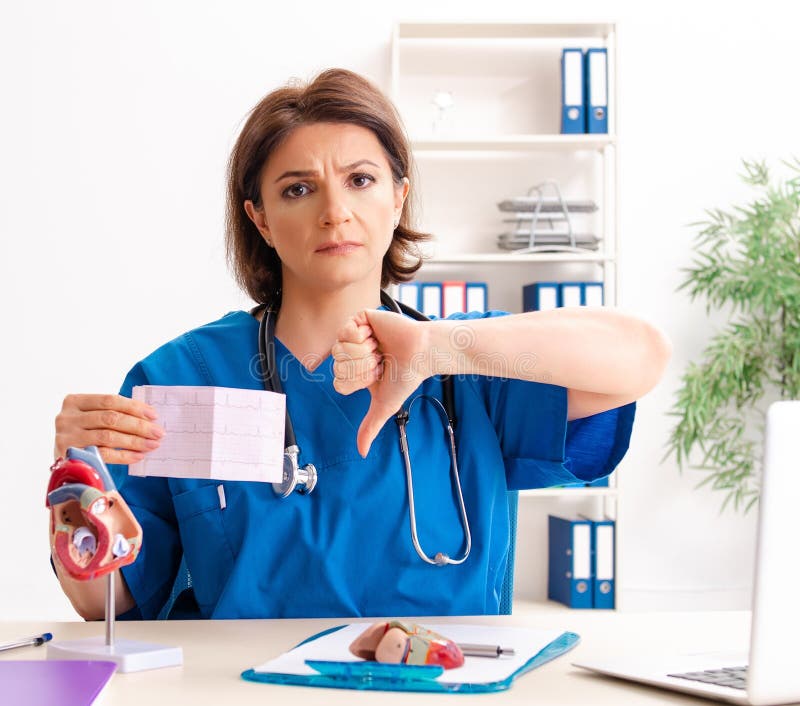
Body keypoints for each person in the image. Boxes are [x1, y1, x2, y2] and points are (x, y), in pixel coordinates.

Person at [51, 68, 671, 621]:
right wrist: (72, 492)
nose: (334, 210)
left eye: (361, 179)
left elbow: (640, 355)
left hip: (442, 690)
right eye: (298, 189)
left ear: (398, 197)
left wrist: (439, 350)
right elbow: (111, 601)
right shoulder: (183, 377)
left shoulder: (469, 364)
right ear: (260, 218)